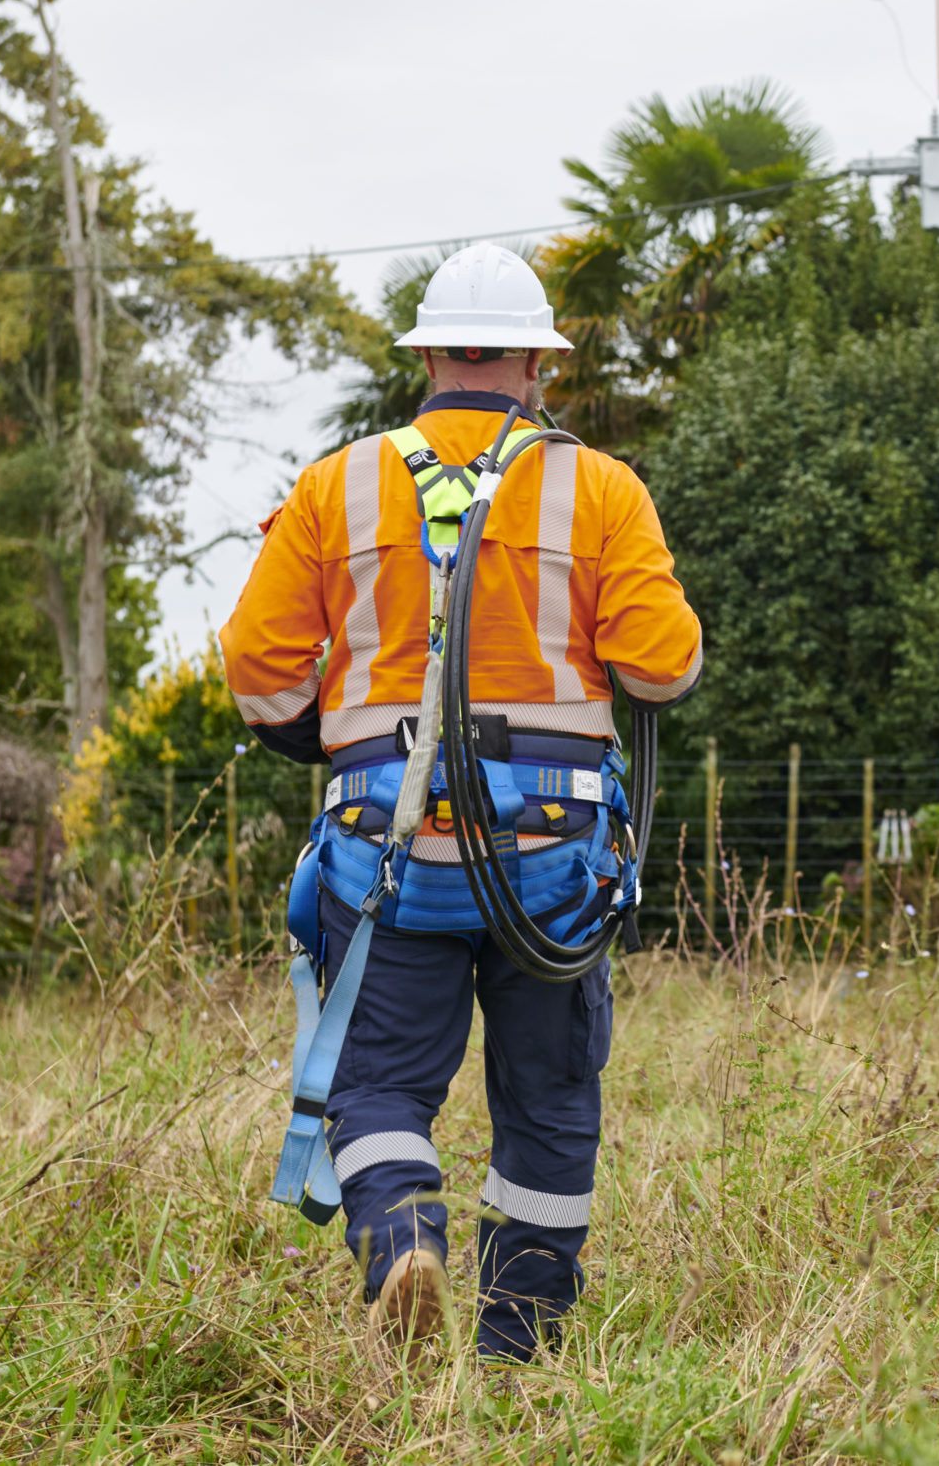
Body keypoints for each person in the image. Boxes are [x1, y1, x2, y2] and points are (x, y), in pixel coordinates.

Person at [221, 244, 702, 1358]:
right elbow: (663, 670)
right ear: (537, 364)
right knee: (547, 1098)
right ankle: (515, 1346)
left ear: (429, 355)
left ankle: (401, 1245)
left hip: (382, 851)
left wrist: (346, 745)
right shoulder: (600, 488)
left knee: (378, 1085)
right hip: (553, 861)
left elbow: (258, 677)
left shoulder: (334, 484)